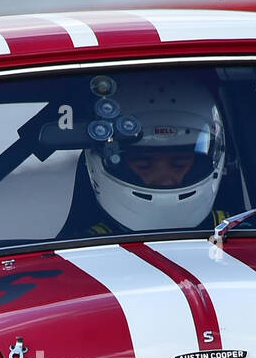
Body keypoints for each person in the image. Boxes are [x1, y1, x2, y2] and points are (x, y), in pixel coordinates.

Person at [71, 74, 231, 237]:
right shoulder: (85, 247)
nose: (164, 180)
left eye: (179, 164)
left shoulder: (236, 230)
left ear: (202, 162)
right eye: (144, 165)